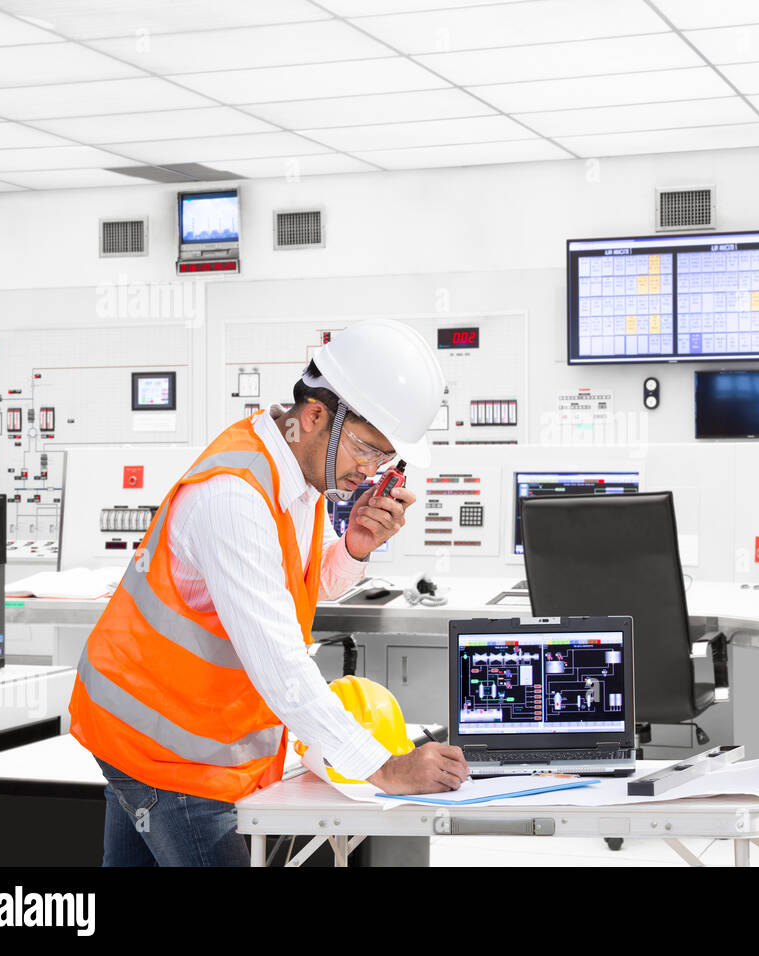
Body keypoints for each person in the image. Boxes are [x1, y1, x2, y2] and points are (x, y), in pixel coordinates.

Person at [68, 320, 469, 866]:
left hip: (157, 733)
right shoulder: (234, 497)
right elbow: (280, 663)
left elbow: (296, 587)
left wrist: (354, 547)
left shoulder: (296, 475)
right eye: (368, 450)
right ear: (315, 416)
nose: (373, 472)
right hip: (171, 751)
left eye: (387, 460)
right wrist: (384, 766)